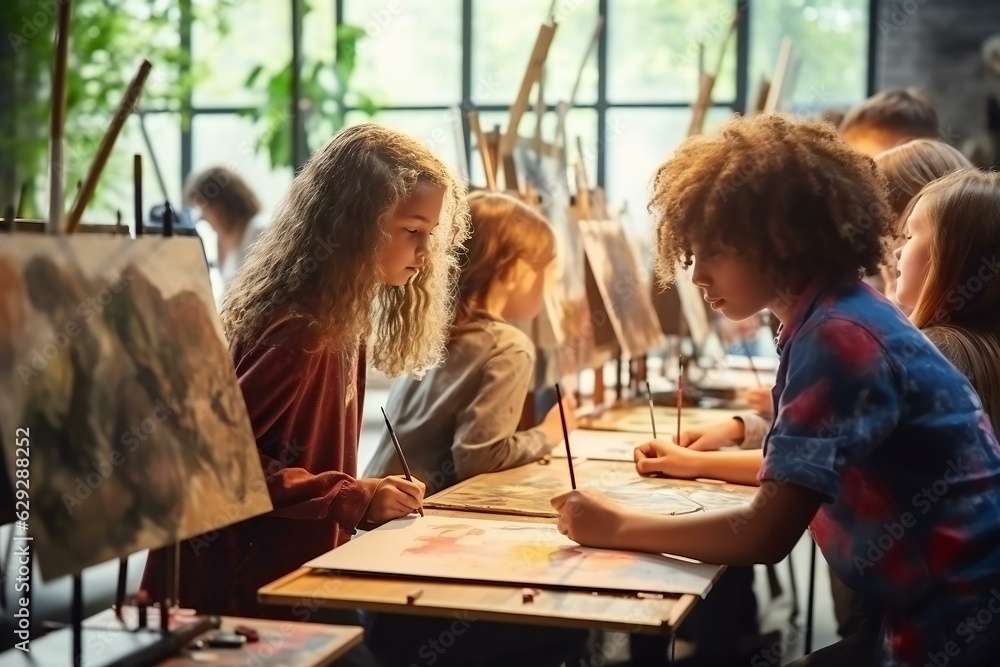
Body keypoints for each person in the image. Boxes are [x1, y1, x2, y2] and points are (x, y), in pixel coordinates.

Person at [554, 113, 1000, 667]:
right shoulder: (831, 316)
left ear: (780, 238)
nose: (697, 277)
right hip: (924, 613)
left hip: (956, 630)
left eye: (714, 251)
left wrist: (618, 526)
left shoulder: (840, 336)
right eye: (693, 254)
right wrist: (693, 465)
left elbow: (765, 533)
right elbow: (800, 467)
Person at [143, 124, 470, 620]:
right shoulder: (302, 329)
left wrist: (361, 495)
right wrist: (352, 496)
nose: (426, 254)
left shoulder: (343, 314)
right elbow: (218, 466)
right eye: (412, 231)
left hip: (283, 575)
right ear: (356, 224)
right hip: (233, 592)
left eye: (431, 234)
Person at [366, 191, 576, 494]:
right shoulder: (509, 347)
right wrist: (548, 434)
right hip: (420, 518)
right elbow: (477, 459)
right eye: (545, 269)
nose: (549, 285)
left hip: (372, 511)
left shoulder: (428, 327)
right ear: (515, 270)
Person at [185, 166, 265, 298]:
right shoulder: (218, 241)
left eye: (205, 207)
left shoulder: (258, 232)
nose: (202, 217)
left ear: (224, 203)